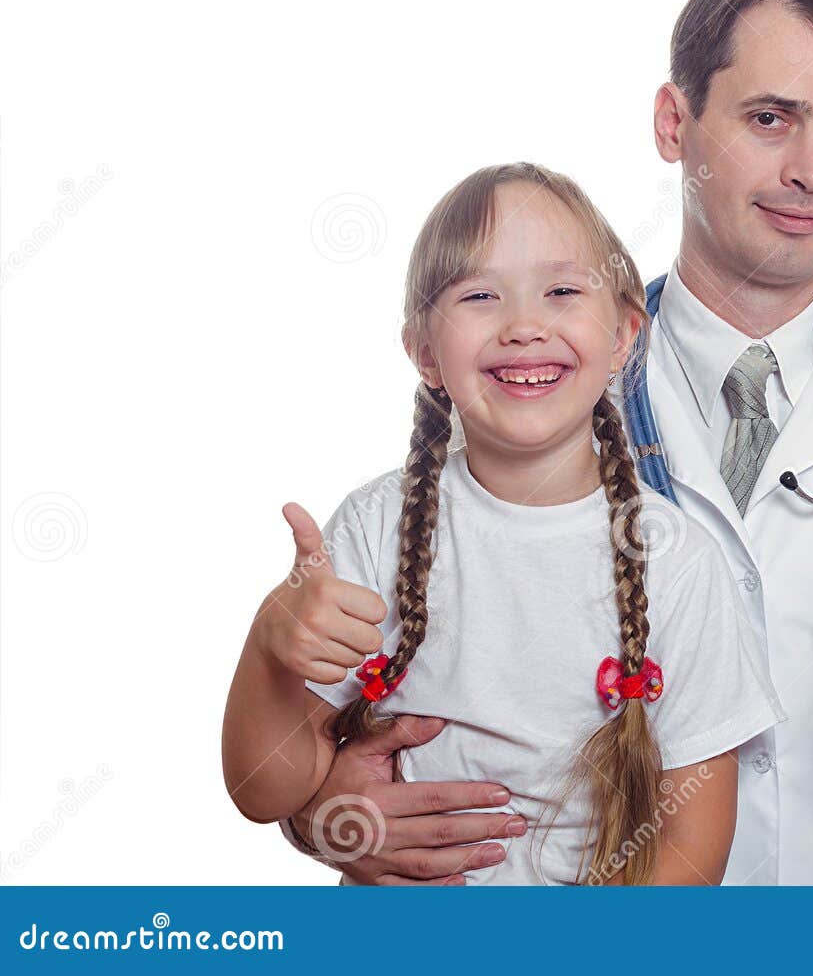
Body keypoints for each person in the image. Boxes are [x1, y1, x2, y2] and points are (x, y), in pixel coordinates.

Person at [281, 0, 813, 885]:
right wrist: (322, 806)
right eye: (770, 118)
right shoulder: (538, 375)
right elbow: (373, 694)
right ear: (674, 124)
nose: (811, 171)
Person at [226, 162, 782, 884]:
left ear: (621, 336)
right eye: (480, 295)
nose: (524, 325)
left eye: (560, 290)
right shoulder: (372, 530)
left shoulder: (677, 561)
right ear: (426, 351)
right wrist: (271, 643)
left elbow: (692, 846)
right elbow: (264, 789)